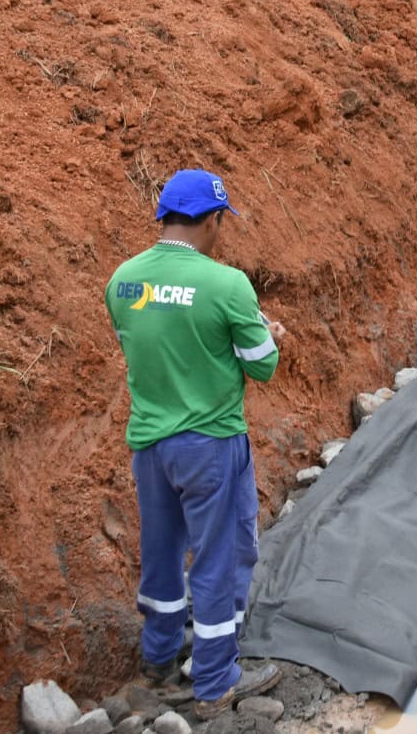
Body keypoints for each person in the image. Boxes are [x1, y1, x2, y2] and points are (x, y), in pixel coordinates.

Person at [105, 169, 287, 719]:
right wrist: (267, 332)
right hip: (210, 444)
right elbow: (264, 367)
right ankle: (214, 679)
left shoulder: (123, 281)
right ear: (211, 220)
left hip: (149, 445)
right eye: (220, 223)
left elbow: (142, 343)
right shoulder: (226, 285)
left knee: (161, 552)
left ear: (163, 218)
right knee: (219, 556)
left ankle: (159, 664)